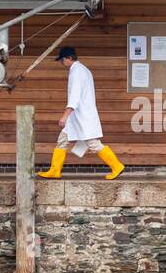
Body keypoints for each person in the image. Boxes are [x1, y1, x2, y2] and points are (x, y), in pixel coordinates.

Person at [39, 46, 125, 180]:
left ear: (69, 58)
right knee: (62, 140)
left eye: (62, 60)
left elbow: (75, 96)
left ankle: (117, 166)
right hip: (78, 116)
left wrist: (65, 115)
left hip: (82, 116)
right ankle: (55, 171)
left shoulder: (77, 72)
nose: (62, 63)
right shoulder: (83, 70)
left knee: (93, 144)